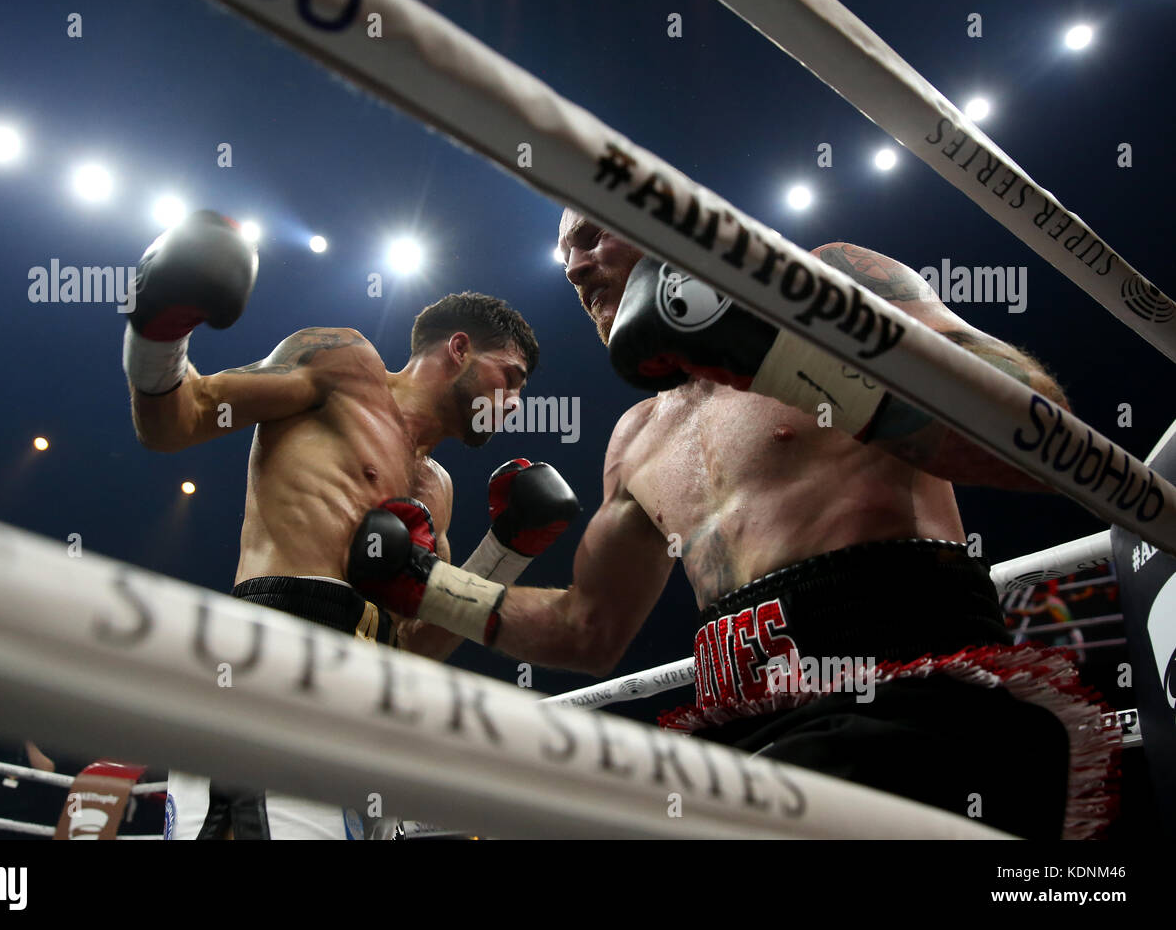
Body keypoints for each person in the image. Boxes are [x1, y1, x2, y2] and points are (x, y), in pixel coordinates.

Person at [349, 211, 1117, 840]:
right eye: (563, 258)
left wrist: (776, 355)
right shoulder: (634, 438)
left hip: (908, 706)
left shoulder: (823, 283)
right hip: (750, 738)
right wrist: (425, 585)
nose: (576, 269)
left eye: (590, 237)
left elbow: (1039, 434)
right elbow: (588, 629)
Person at [122, 209, 573, 839]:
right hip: (270, 662)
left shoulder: (437, 491)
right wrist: (160, 326)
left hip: (370, 708)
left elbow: (419, 644)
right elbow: (179, 419)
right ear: (460, 349)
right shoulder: (344, 366)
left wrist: (507, 550)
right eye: (511, 377)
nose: (516, 403)